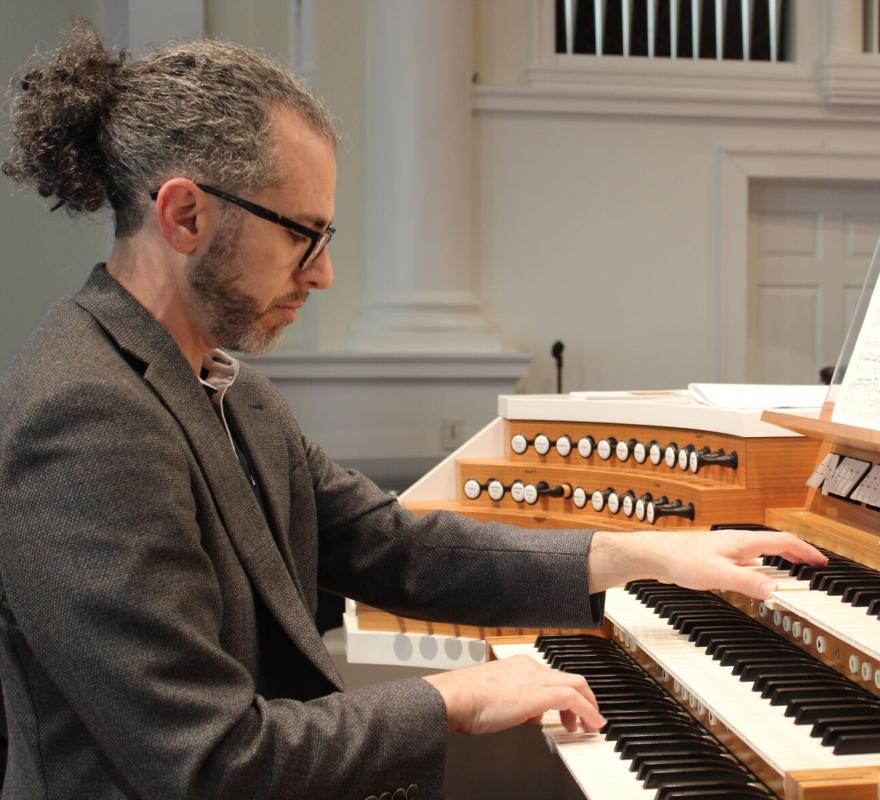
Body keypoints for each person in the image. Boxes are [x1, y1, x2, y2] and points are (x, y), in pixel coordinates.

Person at [0, 24, 826, 799]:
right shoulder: (85, 416)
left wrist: (640, 554)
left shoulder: (227, 389)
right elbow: (210, 760)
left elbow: (393, 545)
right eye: (303, 235)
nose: (321, 275)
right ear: (185, 215)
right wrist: (450, 699)